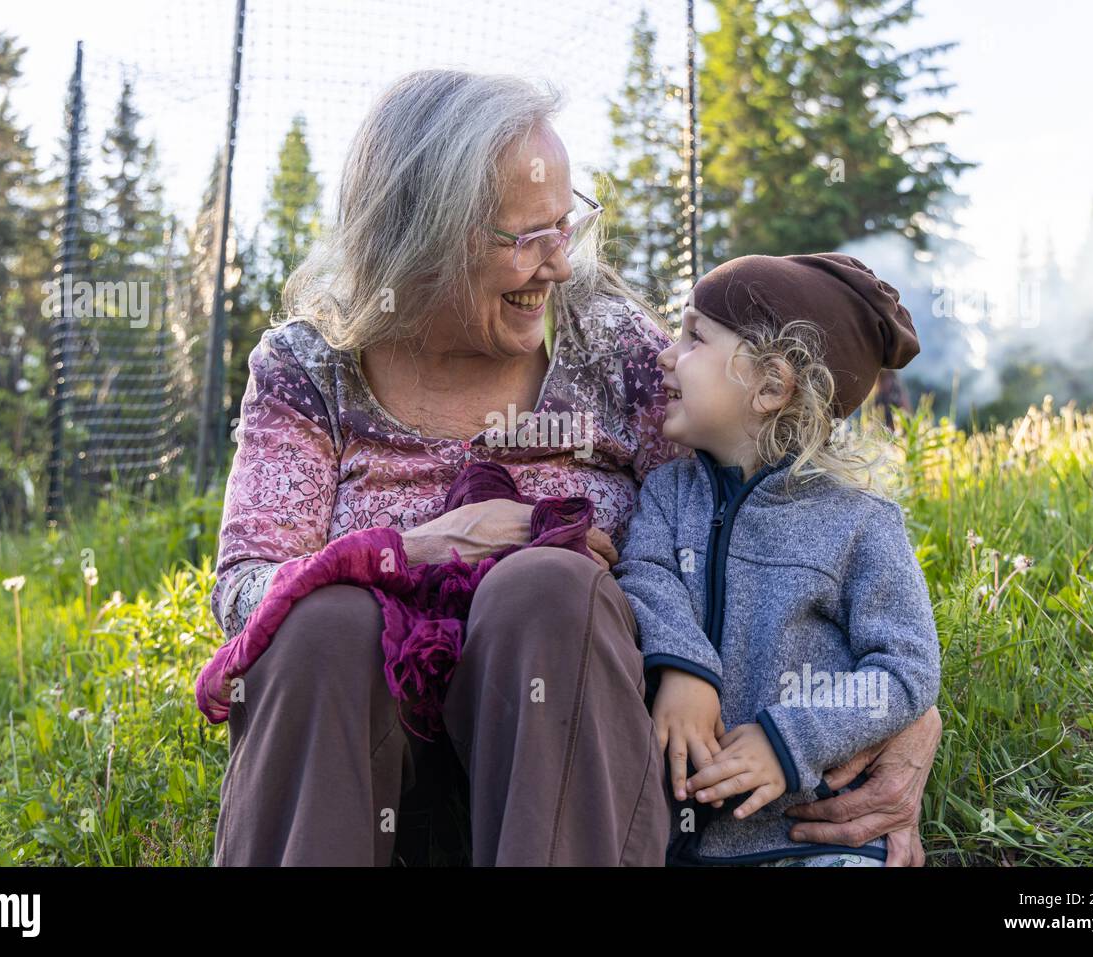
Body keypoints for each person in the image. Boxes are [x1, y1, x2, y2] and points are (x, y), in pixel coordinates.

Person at [209, 68, 943, 866]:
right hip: (365, 775)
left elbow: (743, 529)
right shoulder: (309, 368)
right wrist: (422, 548)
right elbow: (247, 597)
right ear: (420, 239)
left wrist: (902, 716)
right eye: (526, 237)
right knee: (322, 622)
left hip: (580, 777)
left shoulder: (609, 340)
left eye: (565, 224)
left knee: (547, 586)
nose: (559, 262)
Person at [614, 254, 942, 866]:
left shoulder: (861, 524)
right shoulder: (668, 492)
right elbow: (645, 574)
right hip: (681, 847)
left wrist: (788, 739)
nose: (665, 353)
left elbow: (906, 669)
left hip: (811, 839)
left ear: (769, 386)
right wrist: (684, 666)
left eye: (693, 337)